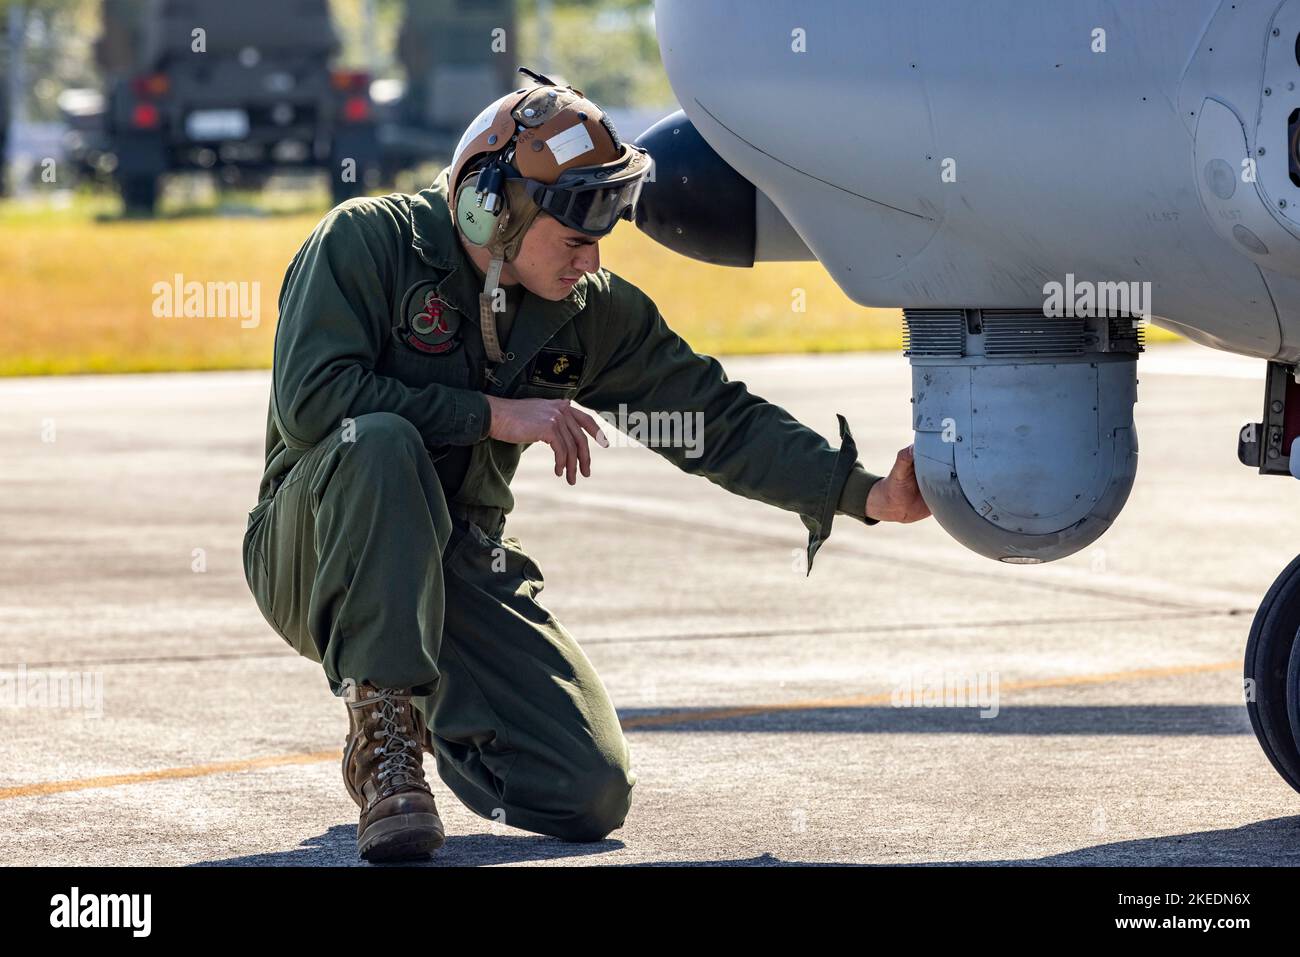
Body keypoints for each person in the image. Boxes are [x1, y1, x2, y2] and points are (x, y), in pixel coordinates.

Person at [241, 68, 930, 863]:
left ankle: (423, 696)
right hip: (312, 545)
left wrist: (863, 493)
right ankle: (385, 745)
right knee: (383, 441)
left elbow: (711, 416)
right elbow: (314, 400)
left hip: (453, 559)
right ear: (490, 208)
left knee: (587, 793)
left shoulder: (585, 308)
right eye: (575, 236)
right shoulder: (366, 243)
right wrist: (495, 414)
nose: (592, 257)